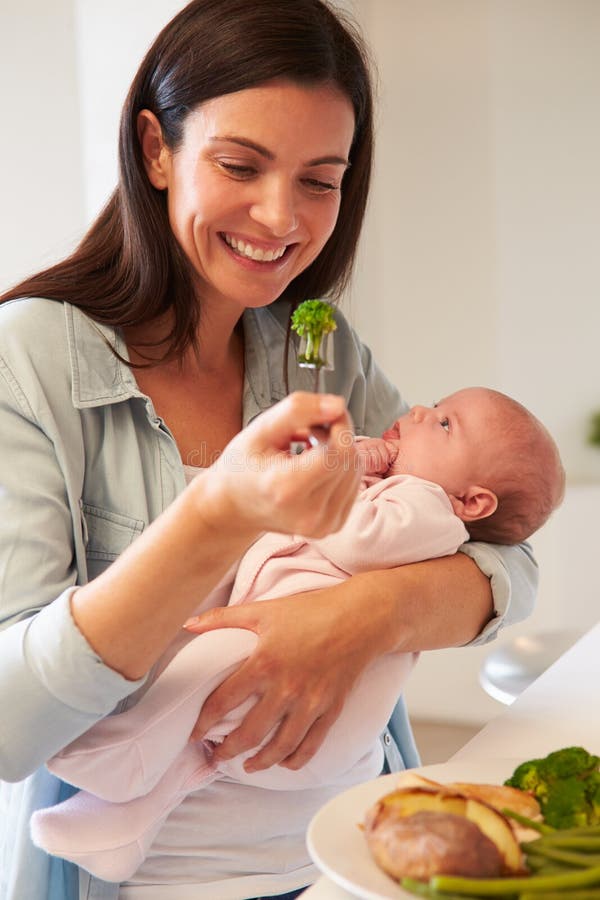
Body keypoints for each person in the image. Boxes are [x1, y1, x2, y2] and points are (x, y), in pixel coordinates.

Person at [0, 1, 539, 898]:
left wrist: (360, 619)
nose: (281, 216)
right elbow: (10, 727)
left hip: (350, 852)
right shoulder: (30, 360)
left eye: (321, 179)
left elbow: (508, 558)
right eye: (240, 165)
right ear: (155, 149)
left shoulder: (316, 347)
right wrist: (219, 515)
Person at [29, 387, 564, 884]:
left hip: (310, 726)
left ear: (473, 504)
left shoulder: (429, 510)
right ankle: (121, 829)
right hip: (280, 739)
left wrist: (348, 462)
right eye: (434, 405)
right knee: (197, 734)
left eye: (445, 424)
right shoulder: (406, 491)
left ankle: (121, 750)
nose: (421, 412)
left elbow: (356, 538)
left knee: (207, 666)